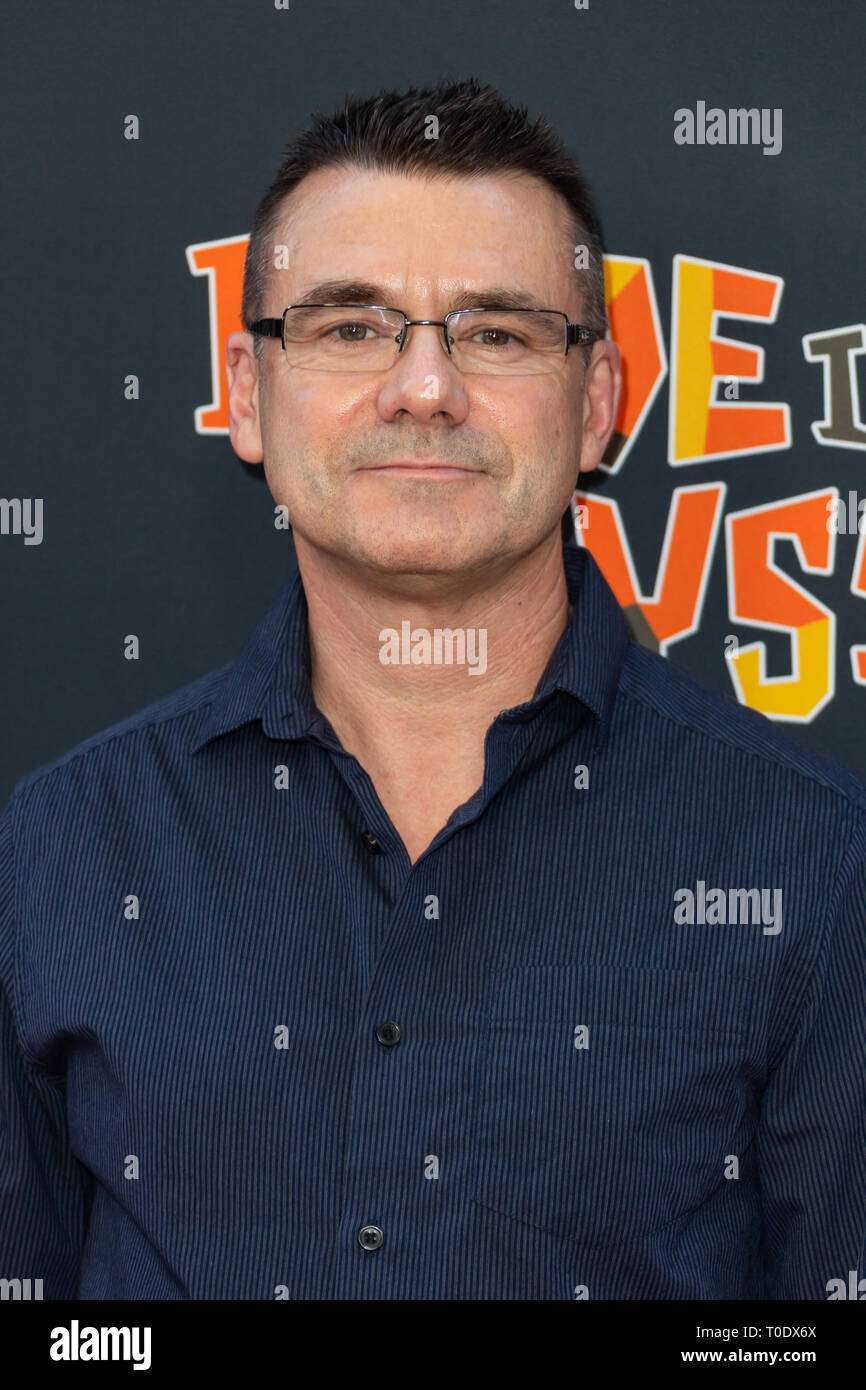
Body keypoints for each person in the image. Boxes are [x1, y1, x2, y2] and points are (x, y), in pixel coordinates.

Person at [1, 77, 864, 1302]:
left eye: (496, 333)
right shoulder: (59, 851)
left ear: (598, 404)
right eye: (350, 327)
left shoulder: (813, 865)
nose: (423, 388)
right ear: (248, 394)